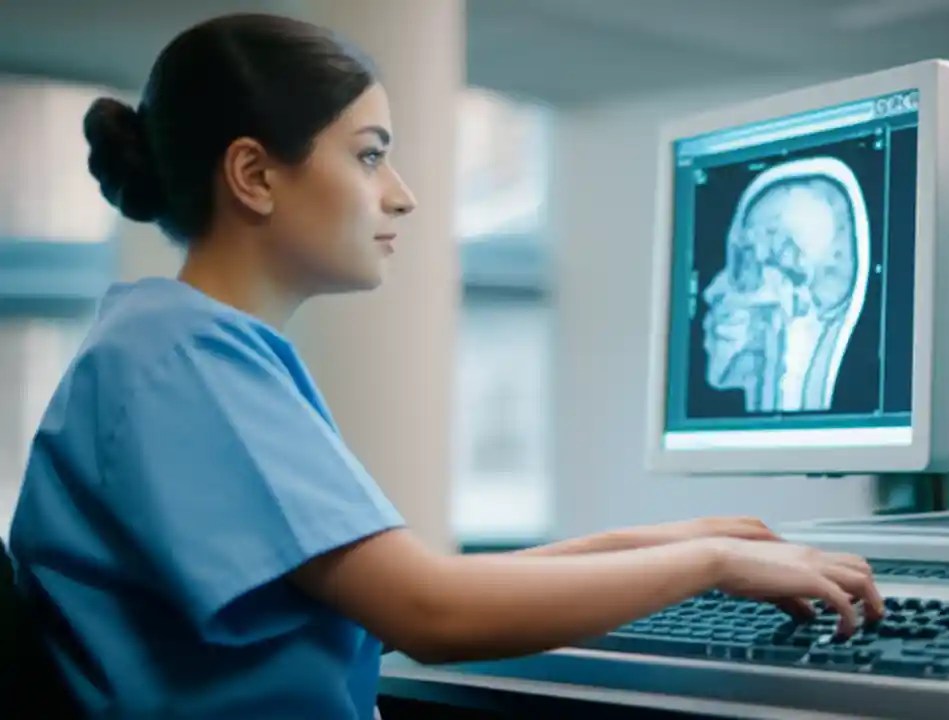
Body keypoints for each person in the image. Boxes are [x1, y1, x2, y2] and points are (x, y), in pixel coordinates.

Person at [7, 12, 884, 720]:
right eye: (370, 154)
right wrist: (713, 569)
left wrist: (657, 542)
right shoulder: (182, 360)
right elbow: (430, 615)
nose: (403, 193)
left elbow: (397, 592)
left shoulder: (172, 347)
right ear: (254, 175)